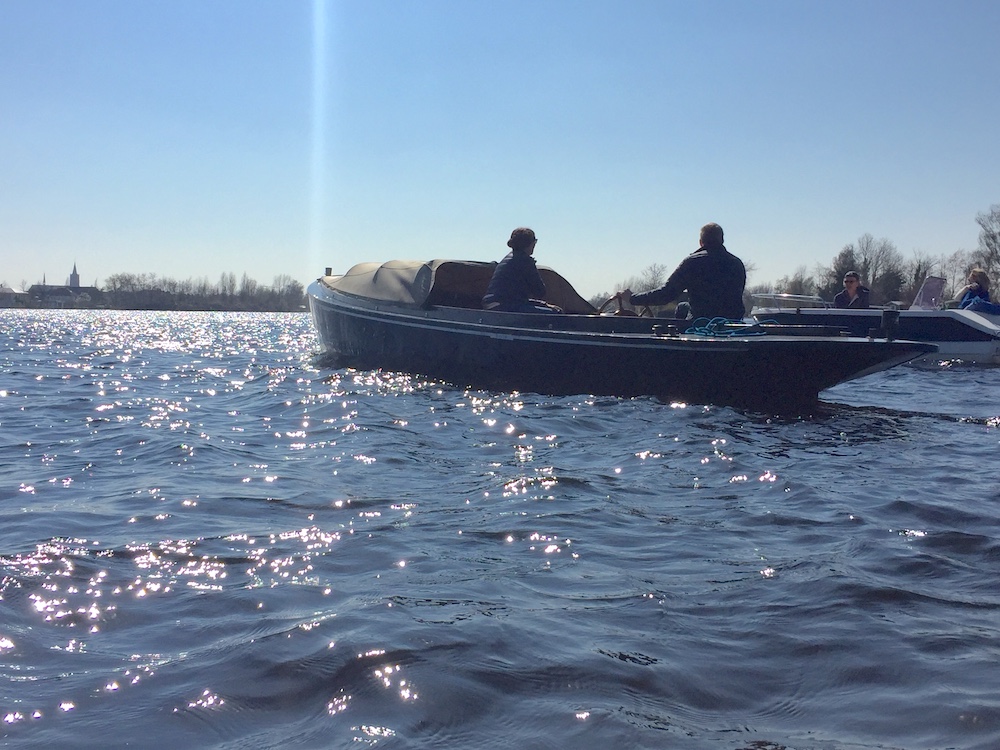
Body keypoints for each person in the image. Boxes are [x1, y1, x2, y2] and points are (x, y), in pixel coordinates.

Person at [617, 223, 746, 320]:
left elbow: (666, 294)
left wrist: (632, 298)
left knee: (682, 307)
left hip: (701, 321)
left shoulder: (692, 262)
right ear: (722, 240)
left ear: (701, 242)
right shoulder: (737, 263)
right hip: (732, 323)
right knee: (684, 305)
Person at [482, 227, 560, 313]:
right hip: (505, 307)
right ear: (531, 243)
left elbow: (517, 299)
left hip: (494, 305)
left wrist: (544, 304)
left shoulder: (508, 259)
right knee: (556, 314)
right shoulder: (525, 261)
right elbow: (540, 291)